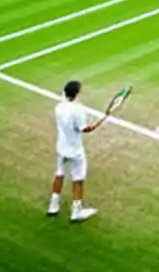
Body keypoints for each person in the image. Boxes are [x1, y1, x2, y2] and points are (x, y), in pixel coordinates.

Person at [48, 80, 97, 222]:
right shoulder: (79, 109)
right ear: (77, 94)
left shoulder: (59, 107)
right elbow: (84, 128)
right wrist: (92, 128)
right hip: (75, 151)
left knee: (59, 174)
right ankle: (76, 211)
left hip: (61, 148)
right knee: (78, 178)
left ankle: (53, 206)